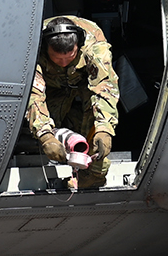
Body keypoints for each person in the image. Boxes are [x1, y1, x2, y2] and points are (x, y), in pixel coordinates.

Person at [24, 15, 118, 191]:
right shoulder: (31, 46)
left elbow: (104, 88)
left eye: (70, 57)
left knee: (95, 120)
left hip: (84, 83)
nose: (64, 62)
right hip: (52, 85)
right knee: (44, 131)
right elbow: (34, 94)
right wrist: (45, 136)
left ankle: (93, 175)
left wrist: (104, 129)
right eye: (57, 59)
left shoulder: (94, 46)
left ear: (78, 46)